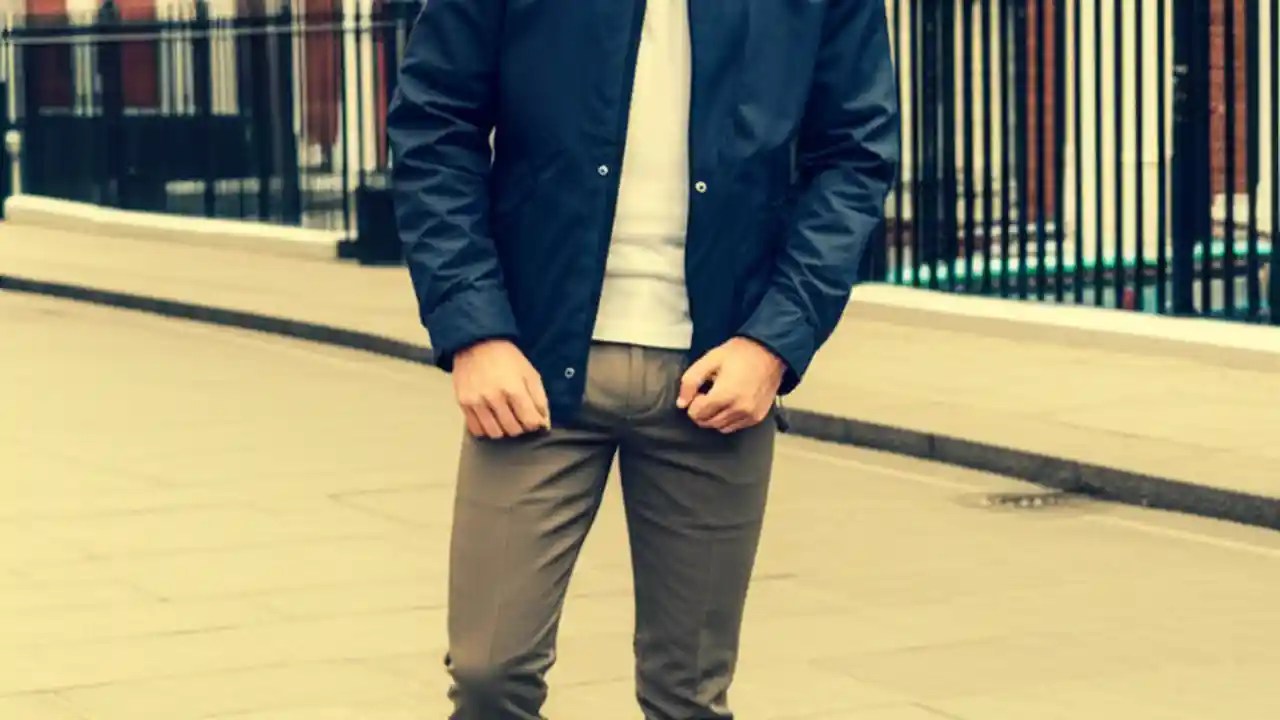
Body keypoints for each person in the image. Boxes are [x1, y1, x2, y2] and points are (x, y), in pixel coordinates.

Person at [387, 0, 898, 717]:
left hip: (717, 373)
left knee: (687, 694)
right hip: (534, 367)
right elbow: (435, 125)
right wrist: (475, 331)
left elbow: (854, 155)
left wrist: (774, 341)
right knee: (488, 675)